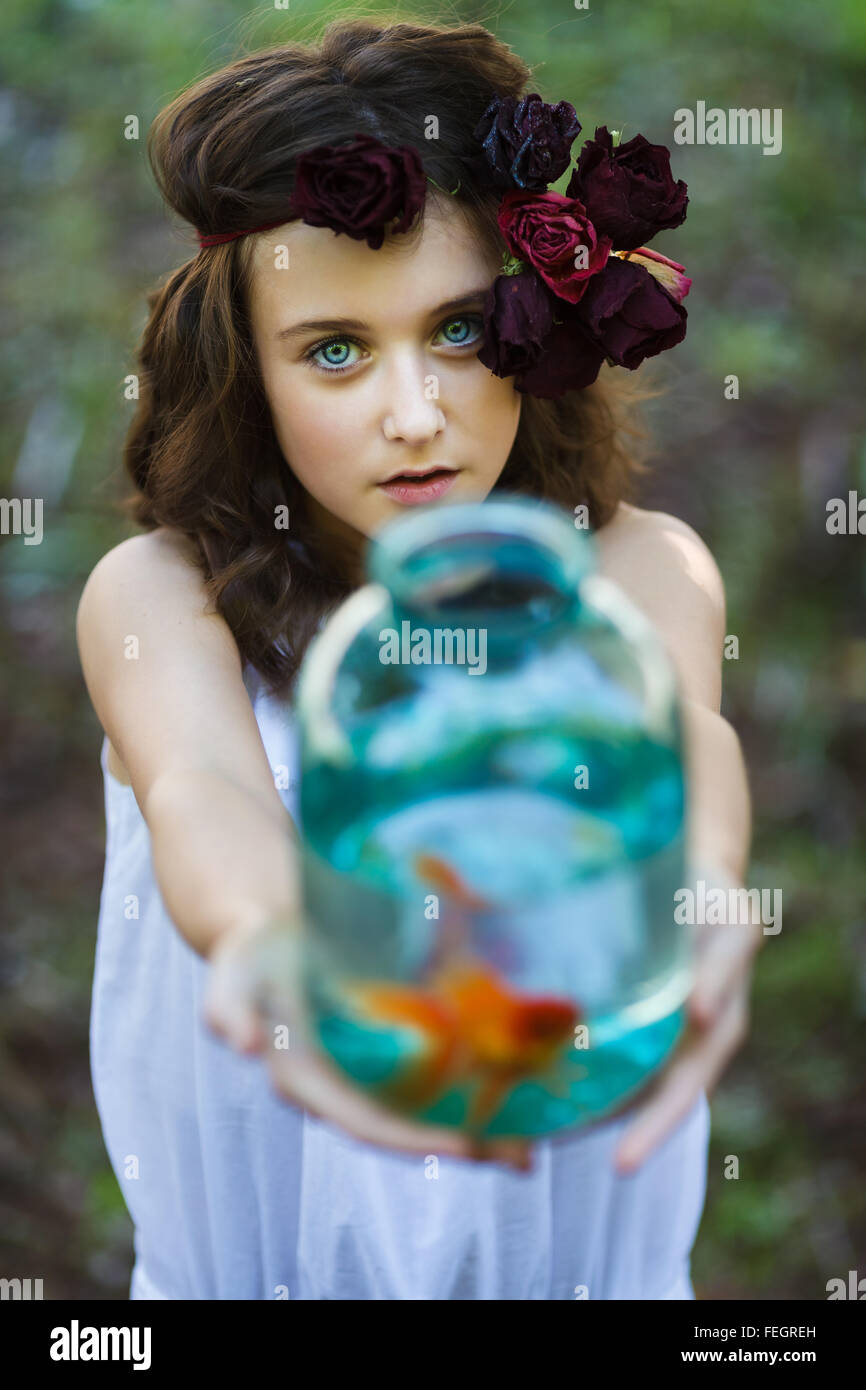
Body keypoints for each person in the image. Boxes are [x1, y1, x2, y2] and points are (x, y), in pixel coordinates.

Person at [75, 18, 760, 1300]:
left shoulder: (635, 568)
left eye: (454, 331)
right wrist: (280, 941)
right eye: (334, 350)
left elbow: (684, 740)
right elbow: (201, 791)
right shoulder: (164, 598)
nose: (413, 416)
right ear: (244, 374)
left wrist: (707, 888)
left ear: (532, 327)